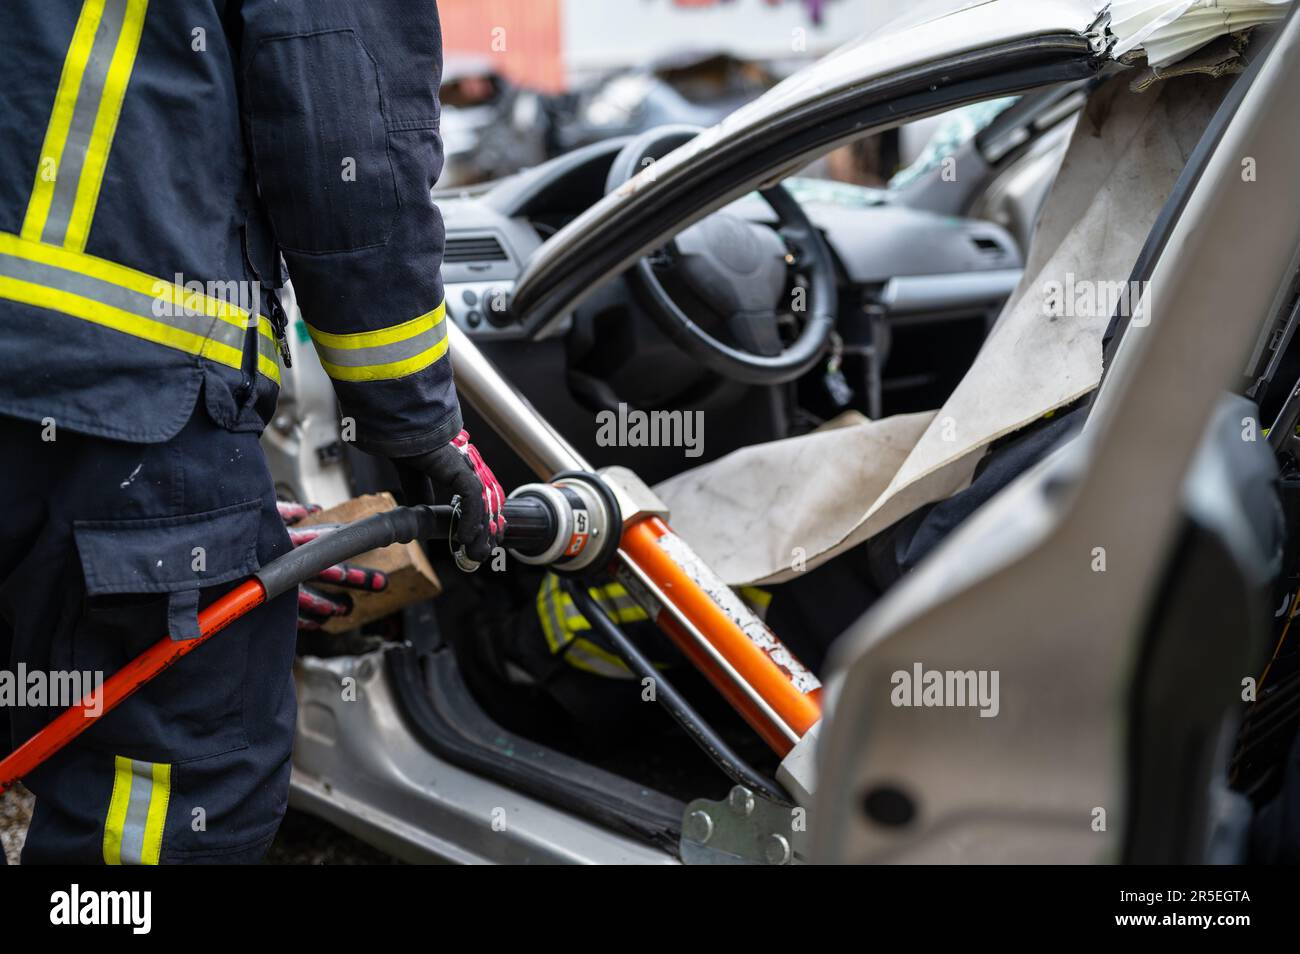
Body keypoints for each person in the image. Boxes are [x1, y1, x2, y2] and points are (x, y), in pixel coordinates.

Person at [0, 0, 501, 864]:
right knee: (168, 786)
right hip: (110, 382)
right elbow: (344, 134)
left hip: (80, 399)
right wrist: (419, 426)